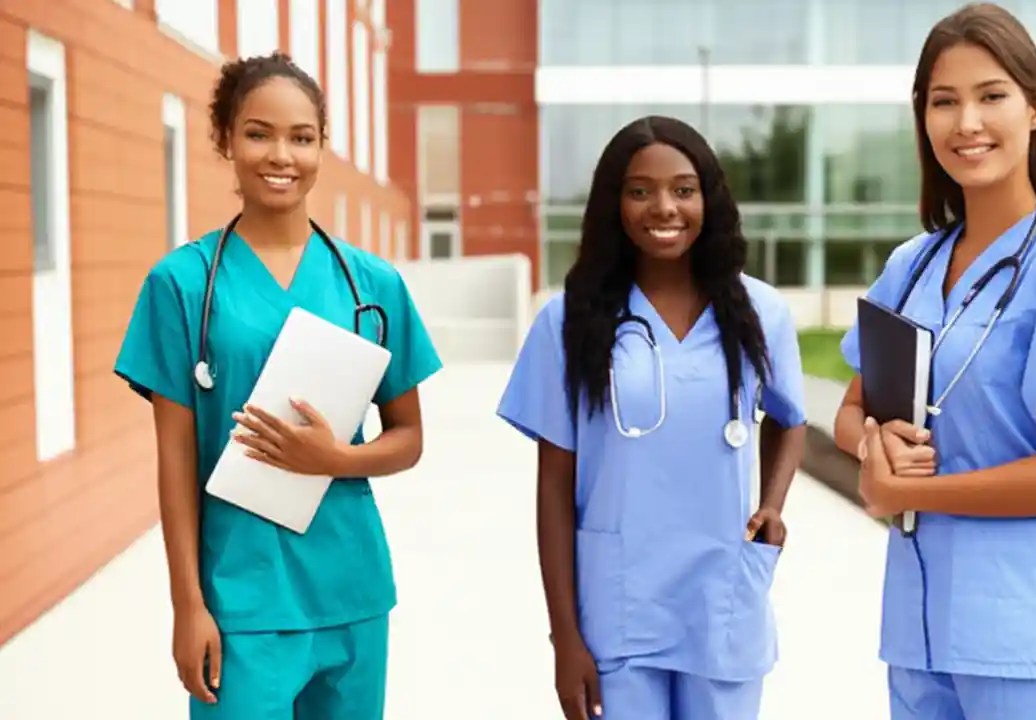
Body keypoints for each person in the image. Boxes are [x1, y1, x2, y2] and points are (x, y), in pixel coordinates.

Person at [113, 52, 441, 718]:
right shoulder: (182, 284)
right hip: (241, 598)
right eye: (259, 133)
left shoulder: (372, 286)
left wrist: (336, 459)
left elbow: (408, 439)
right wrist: (187, 605)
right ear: (225, 140)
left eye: (302, 137)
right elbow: (174, 460)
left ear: (323, 145)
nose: (280, 155)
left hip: (353, 594)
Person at [833, 5, 1036, 719]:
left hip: (1030, 641)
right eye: (944, 101)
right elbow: (850, 410)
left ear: (1034, 109)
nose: (966, 122)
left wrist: (911, 493)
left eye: (990, 95)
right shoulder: (912, 265)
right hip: (921, 634)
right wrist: (875, 444)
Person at [496, 115, 807, 720]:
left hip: (721, 599)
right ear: (614, 203)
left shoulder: (759, 312)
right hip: (620, 609)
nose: (663, 207)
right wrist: (565, 639)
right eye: (640, 190)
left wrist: (773, 503)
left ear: (708, 199)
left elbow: (790, 418)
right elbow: (554, 485)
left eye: (683, 190)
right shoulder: (568, 323)